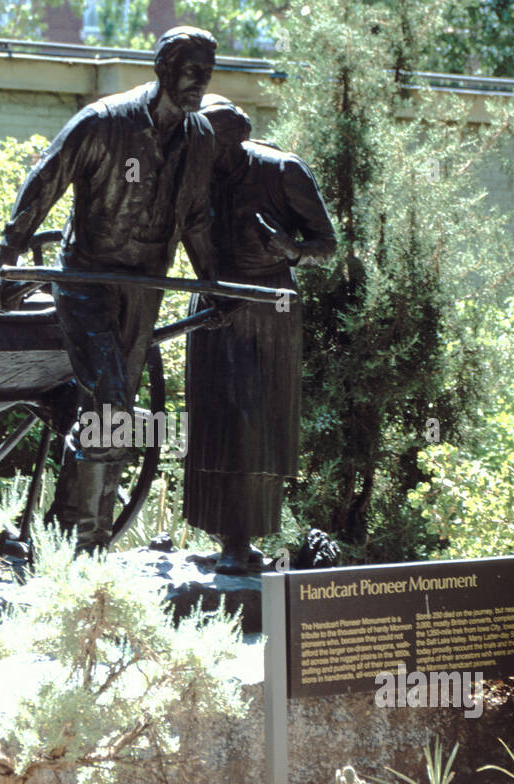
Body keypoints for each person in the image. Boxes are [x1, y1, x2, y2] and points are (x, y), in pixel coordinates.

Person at [0, 26, 224, 552]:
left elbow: (198, 218)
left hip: (144, 286)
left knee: (107, 416)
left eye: (206, 76)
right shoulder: (103, 122)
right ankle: (89, 545)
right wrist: (7, 257)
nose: (199, 85)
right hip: (87, 279)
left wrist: (213, 284)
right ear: (164, 69)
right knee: (114, 407)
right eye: (190, 72)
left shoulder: (200, 137)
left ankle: (62, 529)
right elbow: (45, 181)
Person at [183, 95, 337, 574]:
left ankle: (240, 539)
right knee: (211, 418)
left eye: (207, 142)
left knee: (253, 423)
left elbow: (326, 246)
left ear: (233, 138)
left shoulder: (282, 171)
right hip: (211, 302)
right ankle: (220, 534)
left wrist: (290, 249)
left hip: (267, 307)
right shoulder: (194, 176)